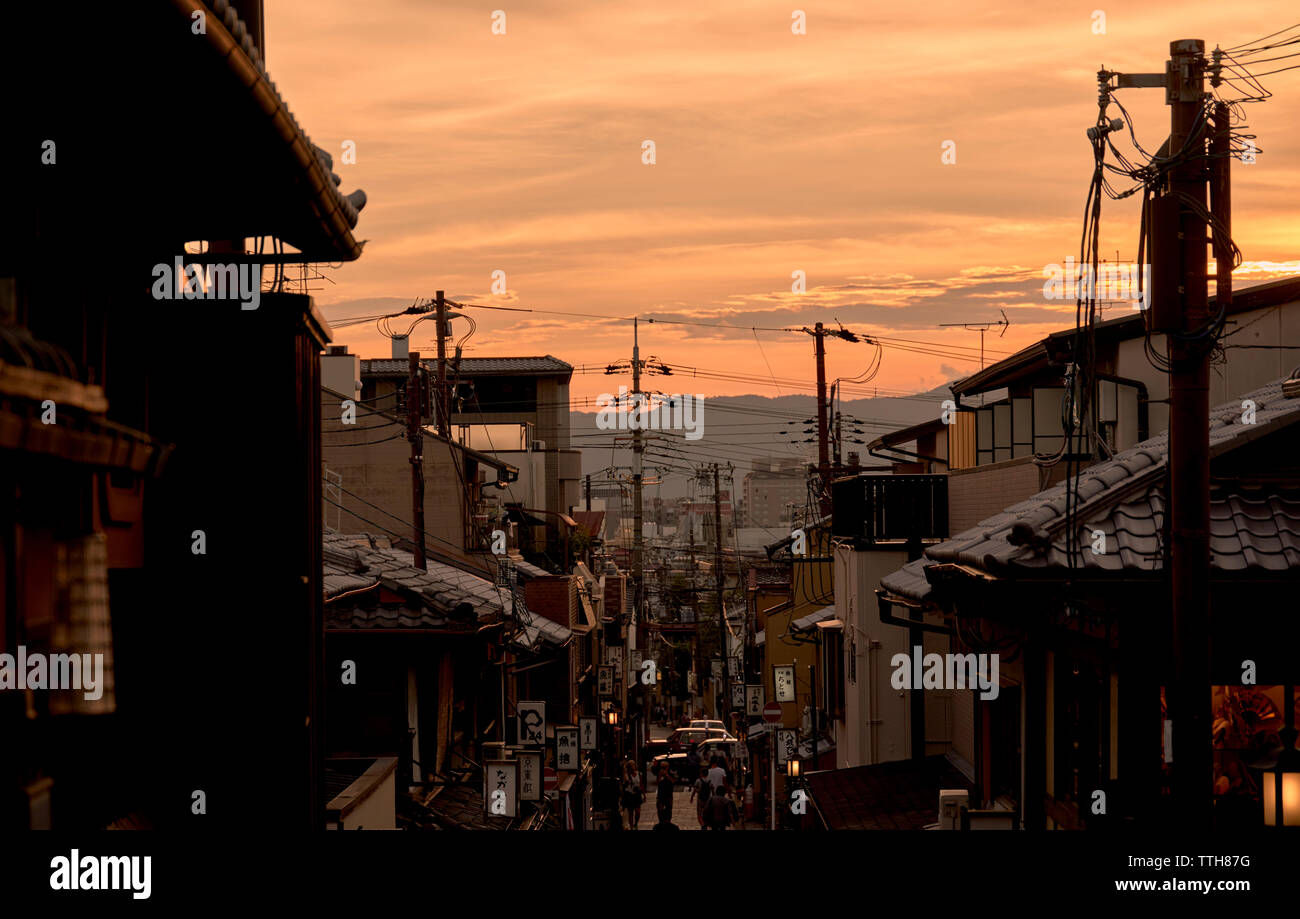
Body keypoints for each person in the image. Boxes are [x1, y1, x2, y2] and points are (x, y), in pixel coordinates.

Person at [620, 760, 644, 830]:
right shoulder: (627, 775)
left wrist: (643, 794)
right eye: (631, 766)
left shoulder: (639, 774)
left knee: (638, 812)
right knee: (630, 813)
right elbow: (626, 783)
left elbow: (641, 784)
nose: (632, 767)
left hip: (637, 795)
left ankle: (635, 823)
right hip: (630, 795)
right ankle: (631, 827)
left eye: (633, 765)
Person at [655, 760, 675, 824]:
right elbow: (658, 782)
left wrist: (667, 775)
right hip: (661, 795)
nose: (663, 769)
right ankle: (661, 822)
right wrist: (660, 776)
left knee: (669, 810)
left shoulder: (670, 773)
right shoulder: (659, 774)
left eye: (664, 767)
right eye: (662, 767)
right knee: (660, 810)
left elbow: (673, 781)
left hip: (668, 795)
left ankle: (668, 822)